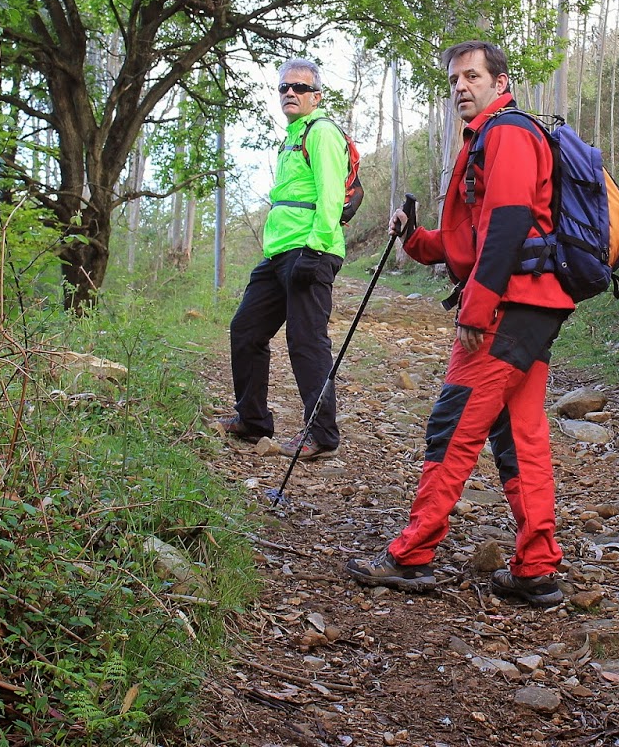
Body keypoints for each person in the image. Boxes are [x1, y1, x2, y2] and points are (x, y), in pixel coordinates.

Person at [346, 41, 575, 607]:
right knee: (518, 434)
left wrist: (476, 309)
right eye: (454, 80)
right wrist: (415, 238)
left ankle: (411, 555)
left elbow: (509, 225)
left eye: (472, 76)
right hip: (529, 305)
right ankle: (536, 567)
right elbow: (470, 240)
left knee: (453, 425)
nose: (461, 87)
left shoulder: (509, 134)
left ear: (501, 83)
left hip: (507, 308)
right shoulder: (486, 138)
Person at [221, 58, 348, 460]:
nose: (290, 93)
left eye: (299, 87)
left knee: (306, 340)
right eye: (284, 88)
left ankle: (321, 435)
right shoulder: (292, 136)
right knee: (246, 329)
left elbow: (331, 195)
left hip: (309, 250)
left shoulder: (322, 132)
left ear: (316, 96)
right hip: (278, 253)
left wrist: (316, 248)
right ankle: (253, 420)